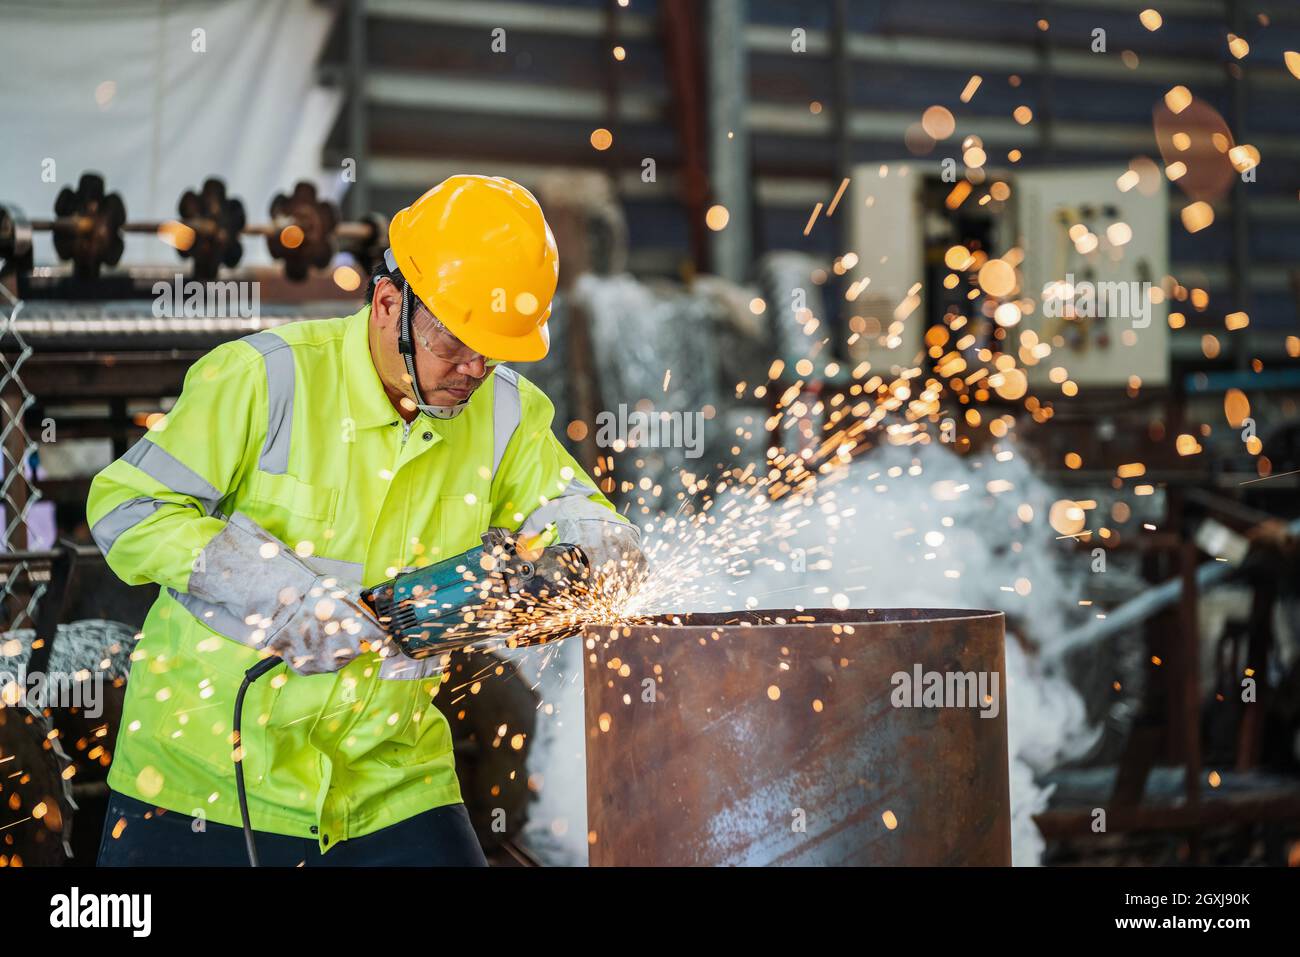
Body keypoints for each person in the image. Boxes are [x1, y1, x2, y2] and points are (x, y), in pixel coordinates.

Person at [88, 174, 642, 866]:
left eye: (491, 349)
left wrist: (601, 548)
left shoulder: (505, 415)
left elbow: (575, 510)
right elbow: (124, 507)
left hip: (393, 783)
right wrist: (278, 593)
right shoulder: (265, 379)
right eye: (455, 343)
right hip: (201, 780)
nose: (474, 369)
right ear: (387, 302)